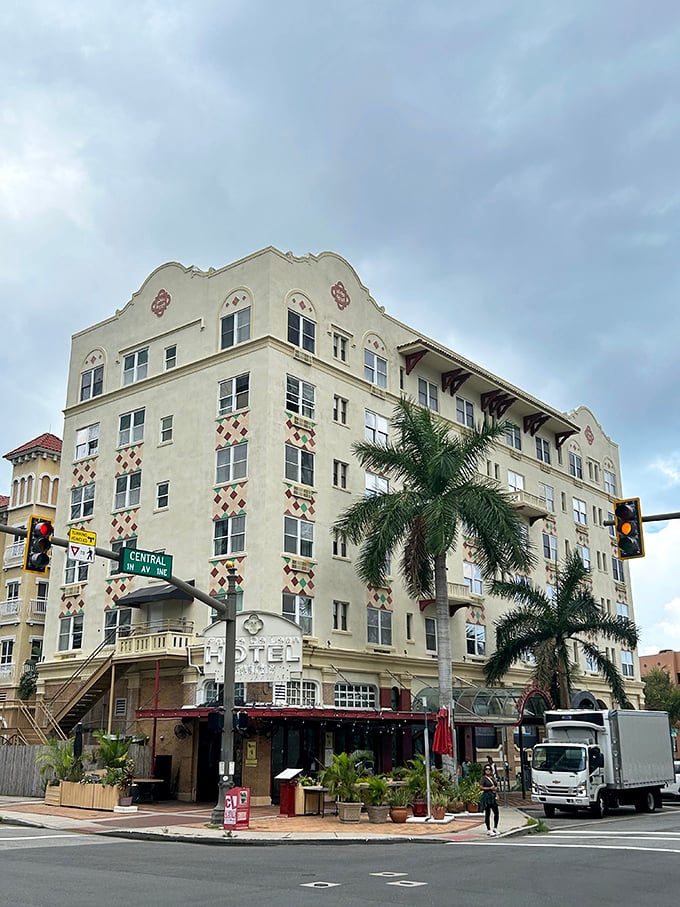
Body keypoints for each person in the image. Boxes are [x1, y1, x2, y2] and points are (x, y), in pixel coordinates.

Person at [480, 763, 500, 836]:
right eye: (486, 769)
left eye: (489, 769)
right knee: (487, 813)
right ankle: (488, 829)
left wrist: (496, 790)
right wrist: (489, 788)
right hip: (487, 796)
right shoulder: (483, 778)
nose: (488, 771)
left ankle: (495, 827)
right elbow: (481, 787)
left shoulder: (492, 778)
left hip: (493, 796)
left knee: (496, 813)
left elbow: (496, 785)